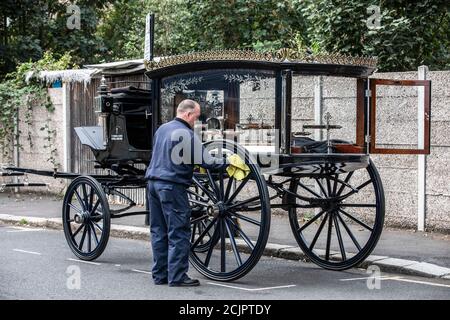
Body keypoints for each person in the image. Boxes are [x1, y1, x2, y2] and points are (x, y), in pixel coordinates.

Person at [145, 99, 225, 287]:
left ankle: (160, 275)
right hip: (172, 186)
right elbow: (207, 162)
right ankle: (178, 276)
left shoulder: (162, 129)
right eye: (196, 118)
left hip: (153, 184)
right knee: (178, 231)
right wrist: (228, 162)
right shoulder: (187, 134)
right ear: (188, 114)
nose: (195, 122)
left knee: (159, 231)